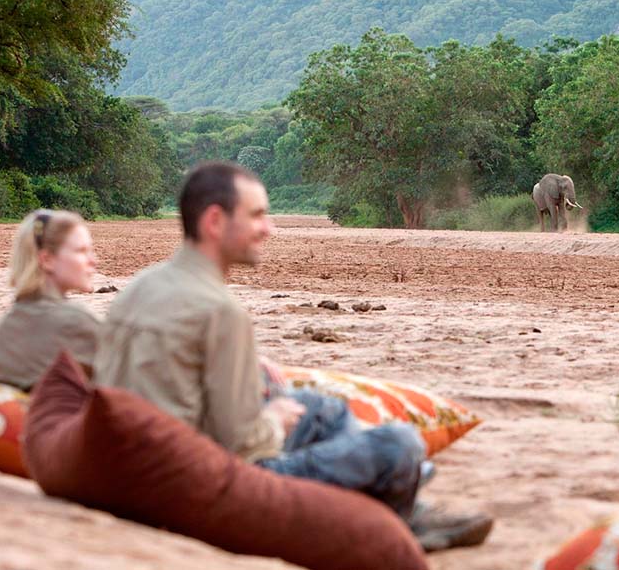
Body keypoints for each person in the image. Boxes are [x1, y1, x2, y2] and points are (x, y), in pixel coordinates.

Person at [93, 162, 492, 551]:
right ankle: (403, 514)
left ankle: (408, 502)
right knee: (399, 443)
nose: (269, 228)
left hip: (137, 464)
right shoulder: (219, 310)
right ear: (214, 221)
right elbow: (243, 445)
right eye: (257, 216)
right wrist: (273, 419)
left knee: (321, 409)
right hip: (206, 479)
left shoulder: (140, 286)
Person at [0, 210, 100, 391]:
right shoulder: (76, 321)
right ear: (47, 260)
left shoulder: (4, 328)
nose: (93, 260)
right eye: (82, 251)